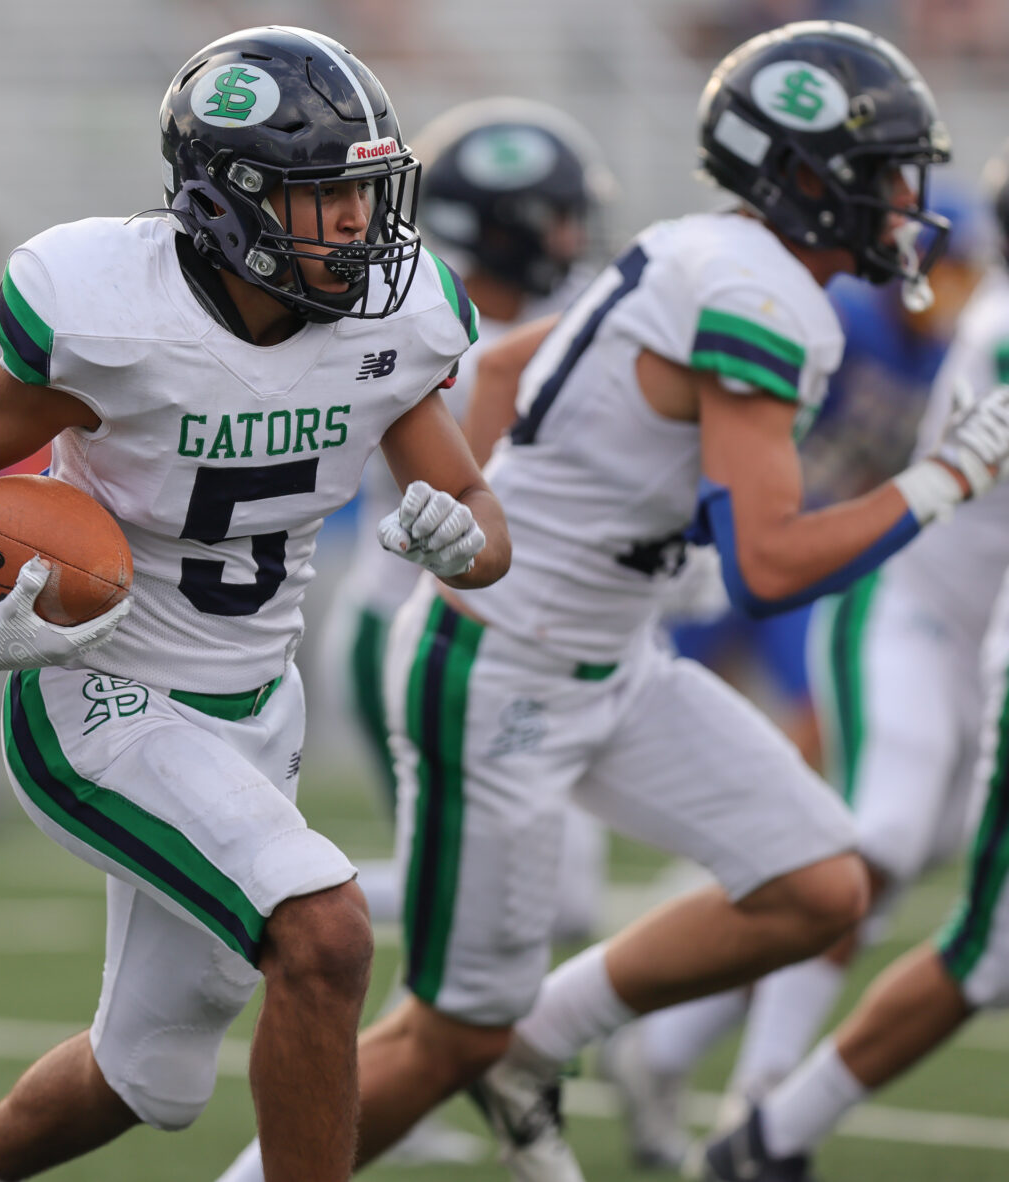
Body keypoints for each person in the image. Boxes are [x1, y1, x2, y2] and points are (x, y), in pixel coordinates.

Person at [214, 20, 1009, 1182]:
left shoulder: (710, 253)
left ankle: (536, 1042)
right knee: (444, 1030)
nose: (906, 199)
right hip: (505, 671)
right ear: (806, 177)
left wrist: (495, 506)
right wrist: (945, 478)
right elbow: (771, 566)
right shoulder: (754, 292)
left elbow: (500, 369)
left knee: (818, 886)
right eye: (887, 171)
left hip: (610, 658)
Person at [0, 25, 509, 1182]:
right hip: (100, 693)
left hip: (259, 701)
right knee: (323, 933)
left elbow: (472, 506)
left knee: (148, 1074)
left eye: (369, 192)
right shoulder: (110, 312)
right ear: (229, 204)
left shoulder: (390, 322)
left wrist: (463, 540)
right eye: (326, 200)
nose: (361, 226)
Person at [603, 164, 1006, 1170]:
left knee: (894, 875)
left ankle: (668, 1043)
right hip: (912, 613)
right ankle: (762, 1097)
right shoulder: (986, 324)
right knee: (876, 843)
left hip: (974, 635)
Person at [321, 96, 615, 949]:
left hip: (523, 627)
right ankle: (279, 904)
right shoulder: (431, 326)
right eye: (558, 219)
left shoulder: (546, 314)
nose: (574, 238)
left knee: (552, 900)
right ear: (503, 226)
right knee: (471, 890)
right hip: (421, 623)